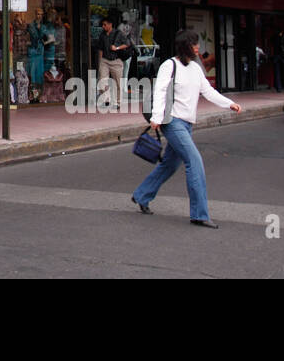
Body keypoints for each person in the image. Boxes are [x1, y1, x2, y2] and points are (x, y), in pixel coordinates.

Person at [131, 30, 242, 227]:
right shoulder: (169, 65)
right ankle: (199, 214)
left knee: (170, 164)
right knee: (194, 161)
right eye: (194, 44)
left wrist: (229, 103)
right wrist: (156, 117)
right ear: (185, 47)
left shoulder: (196, 68)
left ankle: (142, 195)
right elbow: (160, 91)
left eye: (198, 43)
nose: (198, 47)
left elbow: (208, 91)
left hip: (187, 123)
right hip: (172, 121)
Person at [95, 15, 132, 110]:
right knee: (102, 81)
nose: (103, 26)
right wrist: (100, 61)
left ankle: (117, 102)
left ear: (110, 24)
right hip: (105, 60)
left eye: (105, 24)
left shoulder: (118, 33)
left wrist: (117, 48)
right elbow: (100, 48)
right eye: (102, 25)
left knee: (117, 82)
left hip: (116, 61)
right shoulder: (102, 35)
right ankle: (107, 100)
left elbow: (127, 44)